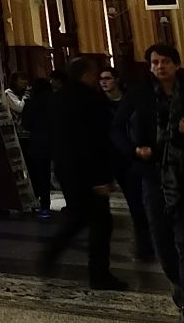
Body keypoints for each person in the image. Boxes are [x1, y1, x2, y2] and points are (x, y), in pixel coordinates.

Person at [118, 42, 184, 323]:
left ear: (177, 64)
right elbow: (116, 128)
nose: (161, 67)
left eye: (166, 61)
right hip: (153, 177)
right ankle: (177, 282)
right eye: (156, 62)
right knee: (161, 240)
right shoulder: (139, 95)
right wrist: (135, 150)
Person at [36, 57, 126, 290]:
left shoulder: (58, 99)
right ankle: (98, 273)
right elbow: (93, 141)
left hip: (68, 170)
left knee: (80, 217)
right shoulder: (89, 100)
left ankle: (51, 254)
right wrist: (100, 178)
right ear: (85, 74)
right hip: (88, 172)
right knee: (100, 222)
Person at [99, 63, 154, 263]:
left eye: (108, 78)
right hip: (114, 158)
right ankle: (145, 243)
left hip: (134, 155)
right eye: (101, 79)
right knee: (134, 202)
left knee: (140, 200)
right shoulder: (99, 105)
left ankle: (147, 242)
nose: (104, 82)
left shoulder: (131, 100)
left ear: (117, 80)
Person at [15, 71, 55, 218]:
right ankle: (74, 204)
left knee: (41, 175)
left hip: (38, 142)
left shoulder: (31, 103)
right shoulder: (56, 100)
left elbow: (26, 124)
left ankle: (44, 206)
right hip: (58, 141)